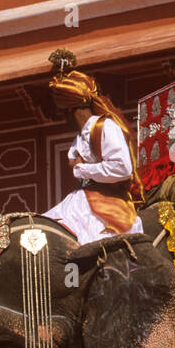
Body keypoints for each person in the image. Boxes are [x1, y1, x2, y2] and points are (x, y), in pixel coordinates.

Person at [43, 62, 143, 243]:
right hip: (83, 197)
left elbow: (122, 168)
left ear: (70, 111)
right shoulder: (80, 136)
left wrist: (83, 168)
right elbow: (72, 162)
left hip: (108, 201)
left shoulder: (105, 128)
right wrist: (80, 166)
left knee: (93, 241)